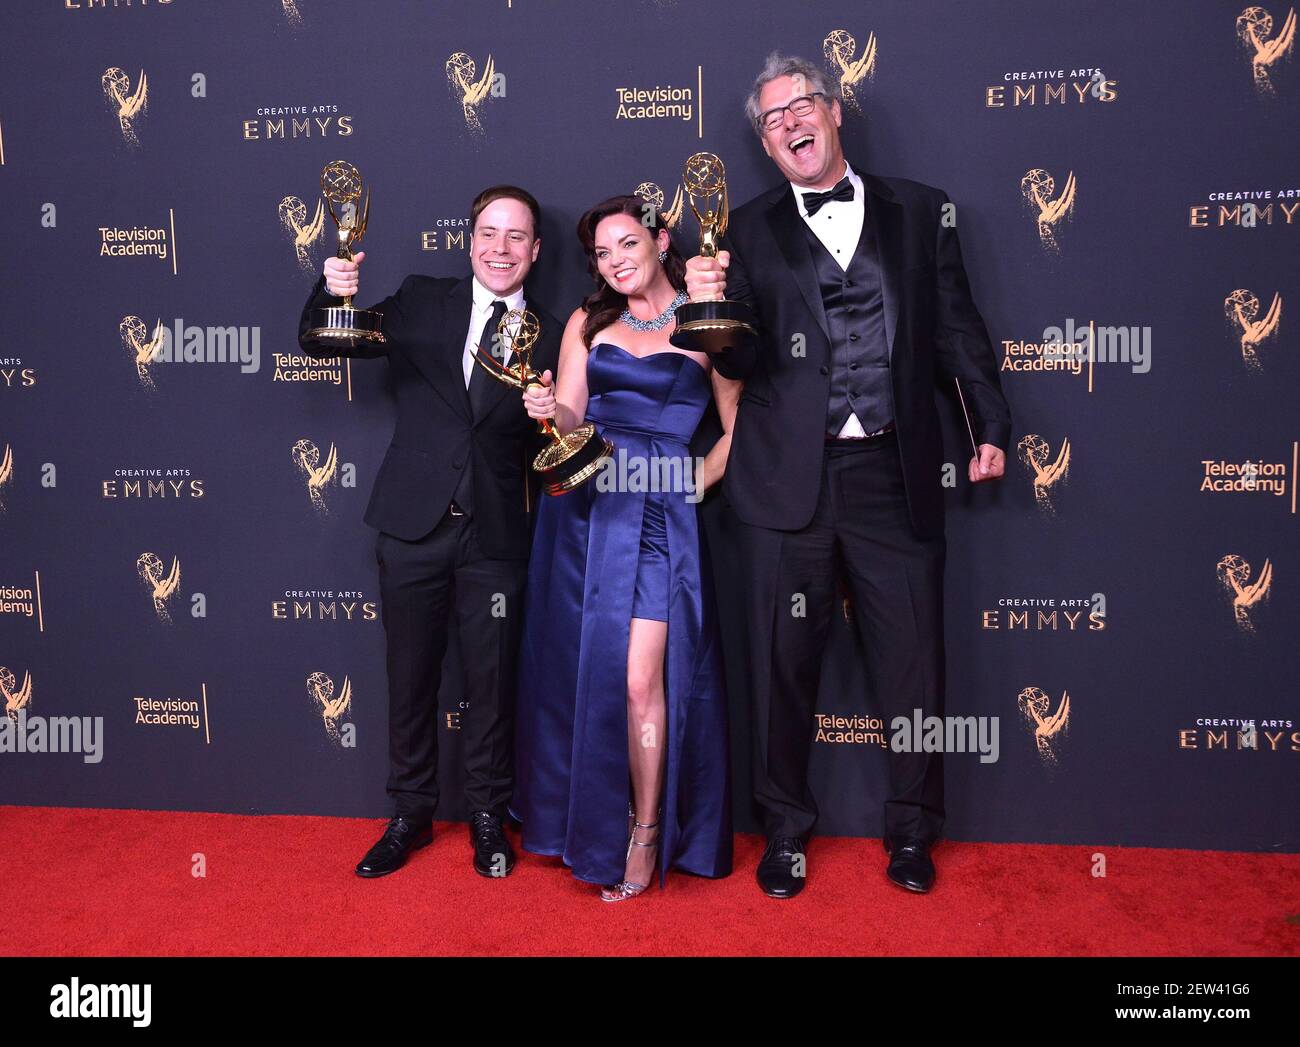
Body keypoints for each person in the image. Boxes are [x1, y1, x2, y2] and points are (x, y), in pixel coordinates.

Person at [685, 54, 1011, 897]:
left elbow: (958, 331)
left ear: (834, 112)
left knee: (913, 666)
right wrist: (711, 310)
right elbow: (746, 358)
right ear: (764, 143)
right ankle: (785, 833)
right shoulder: (746, 230)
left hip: (892, 475)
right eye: (771, 120)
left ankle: (912, 832)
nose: (789, 124)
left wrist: (988, 423)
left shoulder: (921, 210)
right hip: (785, 482)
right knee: (780, 667)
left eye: (800, 107)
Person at [296, 185, 561, 879]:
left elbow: (565, 445)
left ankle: (485, 814)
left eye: (515, 237)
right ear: (468, 241)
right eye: (488, 233)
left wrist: (553, 411)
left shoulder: (557, 332)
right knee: (409, 677)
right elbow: (322, 340)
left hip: (497, 535)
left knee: (491, 683)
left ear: (535, 250)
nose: (500, 248)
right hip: (411, 525)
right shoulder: (419, 300)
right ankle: (410, 812)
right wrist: (332, 288)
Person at [511, 194, 739, 901]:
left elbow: (736, 431)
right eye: (601, 254)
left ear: (662, 238)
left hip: (655, 520)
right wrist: (551, 411)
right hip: (583, 514)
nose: (613, 263)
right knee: (587, 674)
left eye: (626, 245)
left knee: (643, 680)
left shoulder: (707, 321)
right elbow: (575, 411)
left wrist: (687, 485)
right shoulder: (589, 319)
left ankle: (645, 833)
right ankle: (584, 825)